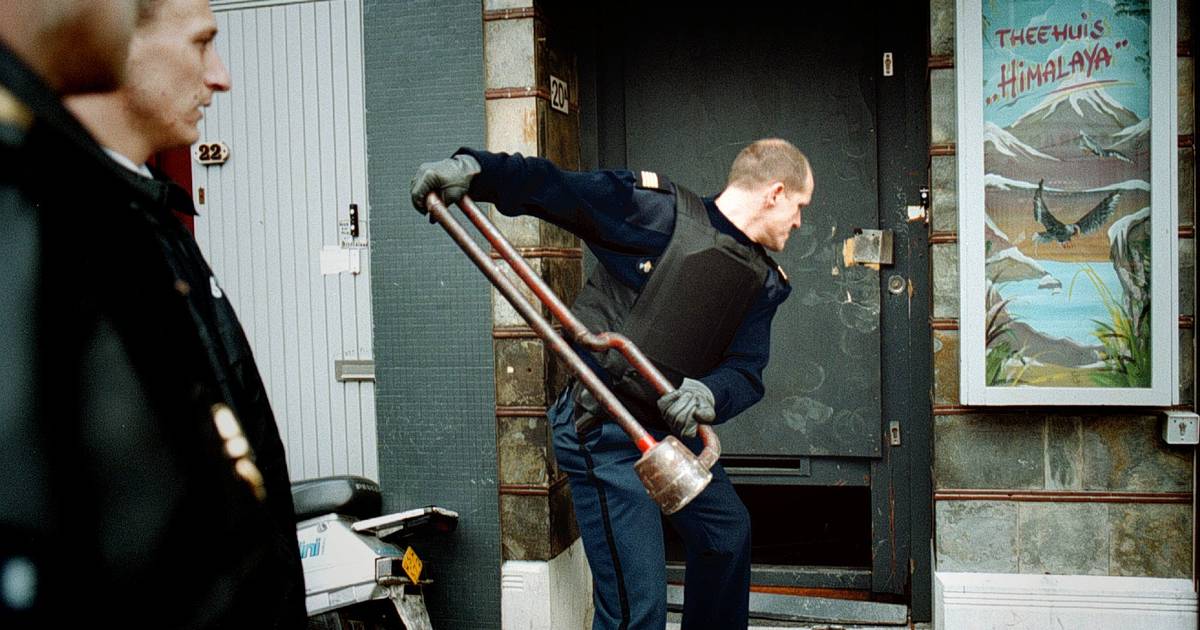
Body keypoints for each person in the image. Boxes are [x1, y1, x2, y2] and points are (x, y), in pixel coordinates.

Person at [411, 139, 813, 629]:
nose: (799, 222)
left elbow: (746, 370)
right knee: (636, 609)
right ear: (775, 192)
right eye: (799, 206)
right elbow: (558, 188)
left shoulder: (763, 282)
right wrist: (477, 170)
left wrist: (710, 394)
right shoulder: (658, 212)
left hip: (669, 431)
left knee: (725, 536)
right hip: (602, 425)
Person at [1, 0, 305, 626]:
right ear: (128, 45)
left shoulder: (138, 214)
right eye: (200, 42)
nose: (220, 76)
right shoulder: (53, 211)